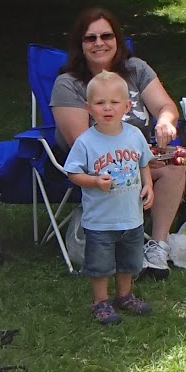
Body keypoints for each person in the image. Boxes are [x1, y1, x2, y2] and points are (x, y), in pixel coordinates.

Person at [50, 8, 186, 280]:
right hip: (98, 167)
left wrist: (165, 121)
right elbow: (82, 144)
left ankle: (157, 248)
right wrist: (135, 157)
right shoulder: (68, 84)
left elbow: (164, 105)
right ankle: (121, 248)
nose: (99, 43)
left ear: (117, 40)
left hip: (138, 157)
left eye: (106, 35)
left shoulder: (135, 69)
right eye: (90, 38)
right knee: (134, 166)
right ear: (80, 46)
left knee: (175, 165)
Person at [64, 70, 156, 324]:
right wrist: (93, 181)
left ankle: (124, 295)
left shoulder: (134, 135)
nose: (107, 108)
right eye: (100, 103)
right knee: (101, 265)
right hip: (100, 220)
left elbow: (144, 163)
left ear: (127, 106)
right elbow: (72, 173)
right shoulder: (86, 142)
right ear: (88, 107)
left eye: (115, 102)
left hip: (132, 216)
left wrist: (148, 185)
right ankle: (100, 301)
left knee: (129, 261)